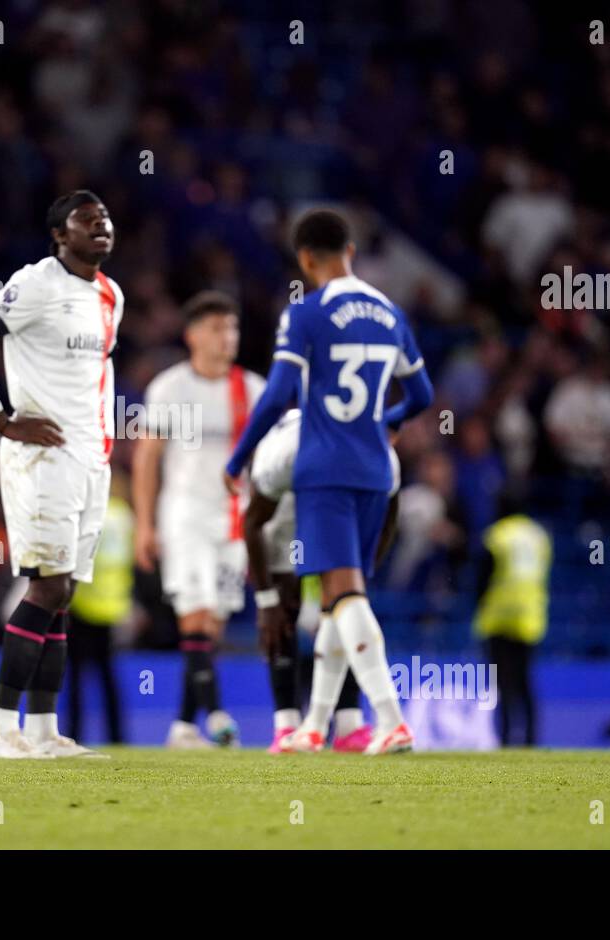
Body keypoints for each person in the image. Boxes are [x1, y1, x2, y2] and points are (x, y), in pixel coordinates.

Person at [225, 208, 432, 756]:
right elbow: (423, 397)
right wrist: (381, 425)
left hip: (325, 469)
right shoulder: (390, 313)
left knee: (343, 596)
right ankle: (314, 726)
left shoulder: (307, 312)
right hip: (376, 469)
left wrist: (238, 458)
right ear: (352, 252)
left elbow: (275, 396)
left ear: (305, 260)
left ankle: (390, 719)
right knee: (335, 603)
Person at [0, 190, 123, 759]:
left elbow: (99, 373)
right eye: (86, 220)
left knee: (64, 591)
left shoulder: (110, 295)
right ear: (59, 234)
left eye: (105, 219)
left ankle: (43, 730)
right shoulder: (36, 282)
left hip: (90, 460)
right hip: (42, 458)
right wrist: (0, 419)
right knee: (46, 584)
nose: (101, 227)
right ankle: (0, 726)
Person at [131, 290, 265, 748]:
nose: (226, 337)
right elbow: (148, 458)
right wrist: (145, 524)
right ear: (192, 335)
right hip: (184, 514)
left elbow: (265, 462)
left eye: (231, 327)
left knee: (214, 626)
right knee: (196, 615)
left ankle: (184, 727)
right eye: (215, 328)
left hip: (233, 521)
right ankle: (218, 714)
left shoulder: (252, 389)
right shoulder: (171, 387)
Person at [244, 408, 402, 753]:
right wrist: (265, 600)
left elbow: (389, 515)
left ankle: (345, 724)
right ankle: (287, 724)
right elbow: (253, 523)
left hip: (335, 507)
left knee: (342, 604)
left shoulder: (383, 459)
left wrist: (362, 572)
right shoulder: (283, 458)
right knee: (284, 610)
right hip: (282, 508)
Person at [473, 497, 552, 747]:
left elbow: (482, 578)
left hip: (498, 618)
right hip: (530, 617)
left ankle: (506, 738)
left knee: (503, 683)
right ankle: (531, 739)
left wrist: (478, 605)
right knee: (526, 682)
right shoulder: (539, 536)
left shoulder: (497, 535)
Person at [66, 473, 134, 744]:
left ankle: (73, 733)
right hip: (113, 603)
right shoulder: (123, 515)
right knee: (108, 677)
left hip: (83, 601)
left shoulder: (89, 514)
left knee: (76, 677)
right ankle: (117, 736)